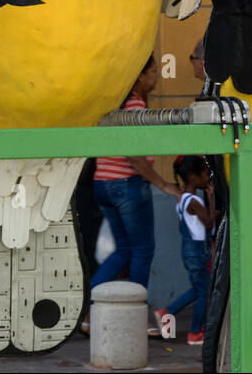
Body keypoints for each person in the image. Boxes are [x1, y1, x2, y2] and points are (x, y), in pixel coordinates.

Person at [90, 56, 181, 297]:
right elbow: (135, 157)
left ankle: (88, 307)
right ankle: (135, 312)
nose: (157, 77)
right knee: (142, 251)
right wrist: (163, 185)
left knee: (124, 251)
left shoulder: (117, 105)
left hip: (103, 183)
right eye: (153, 72)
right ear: (140, 75)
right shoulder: (135, 107)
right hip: (126, 185)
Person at [153, 156, 215, 346]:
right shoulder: (194, 200)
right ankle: (195, 332)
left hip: (189, 250)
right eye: (205, 174)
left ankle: (167, 312)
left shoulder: (182, 200)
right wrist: (211, 199)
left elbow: (185, 224)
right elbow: (208, 224)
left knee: (199, 289)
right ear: (193, 176)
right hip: (196, 251)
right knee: (204, 293)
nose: (207, 178)